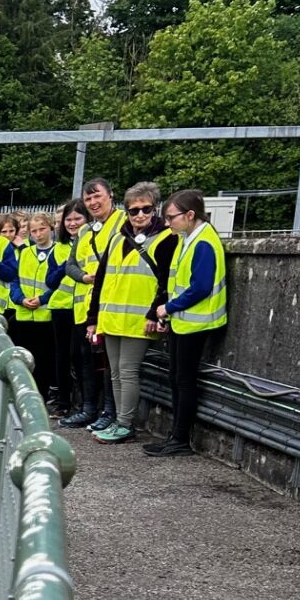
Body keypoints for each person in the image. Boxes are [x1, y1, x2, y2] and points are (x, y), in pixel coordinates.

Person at [84, 181, 175, 444]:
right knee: (114, 372)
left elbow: (167, 281)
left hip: (139, 320)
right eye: (133, 210)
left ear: (154, 209)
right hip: (111, 318)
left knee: (127, 370)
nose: (139, 215)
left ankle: (125, 423)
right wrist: (93, 319)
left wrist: (154, 314)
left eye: (145, 209)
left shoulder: (165, 239)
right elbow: (101, 281)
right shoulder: (117, 238)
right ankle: (118, 420)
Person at [144, 189, 228, 457]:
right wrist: (169, 313)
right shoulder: (189, 238)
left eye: (172, 217)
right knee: (177, 379)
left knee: (184, 380)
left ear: (190, 215)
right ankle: (175, 436)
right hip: (183, 321)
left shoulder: (203, 242)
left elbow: (200, 287)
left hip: (196, 322)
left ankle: (180, 438)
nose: (168, 223)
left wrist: (168, 308)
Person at [60, 181, 122, 429]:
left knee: (106, 362)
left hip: (110, 305)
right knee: (84, 359)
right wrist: (84, 277)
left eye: (97, 197)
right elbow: (70, 265)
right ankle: (88, 408)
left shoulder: (123, 223)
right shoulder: (86, 231)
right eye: (89, 199)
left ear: (110, 196)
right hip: (84, 307)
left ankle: (109, 410)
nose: (93, 203)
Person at [11, 212, 70, 412]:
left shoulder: (61, 251)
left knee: (46, 361)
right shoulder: (26, 253)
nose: (38, 234)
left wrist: (42, 299)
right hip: (25, 314)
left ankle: (43, 400)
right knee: (27, 359)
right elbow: (16, 281)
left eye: (42, 229)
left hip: (47, 315)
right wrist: (20, 298)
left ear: (51, 228)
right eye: (33, 231)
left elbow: (60, 283)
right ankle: (27, 396)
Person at [50, 201, 87, 412]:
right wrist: (66, 266)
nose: (72, 223)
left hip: (82, 307)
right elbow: (51, 280)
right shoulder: (60, 247)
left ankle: (84, 404)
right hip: (61, 307)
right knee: (63, 356)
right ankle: (64, 402)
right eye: (69, 220)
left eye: (77, 219)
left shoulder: (91, 243)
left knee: (81, 357)